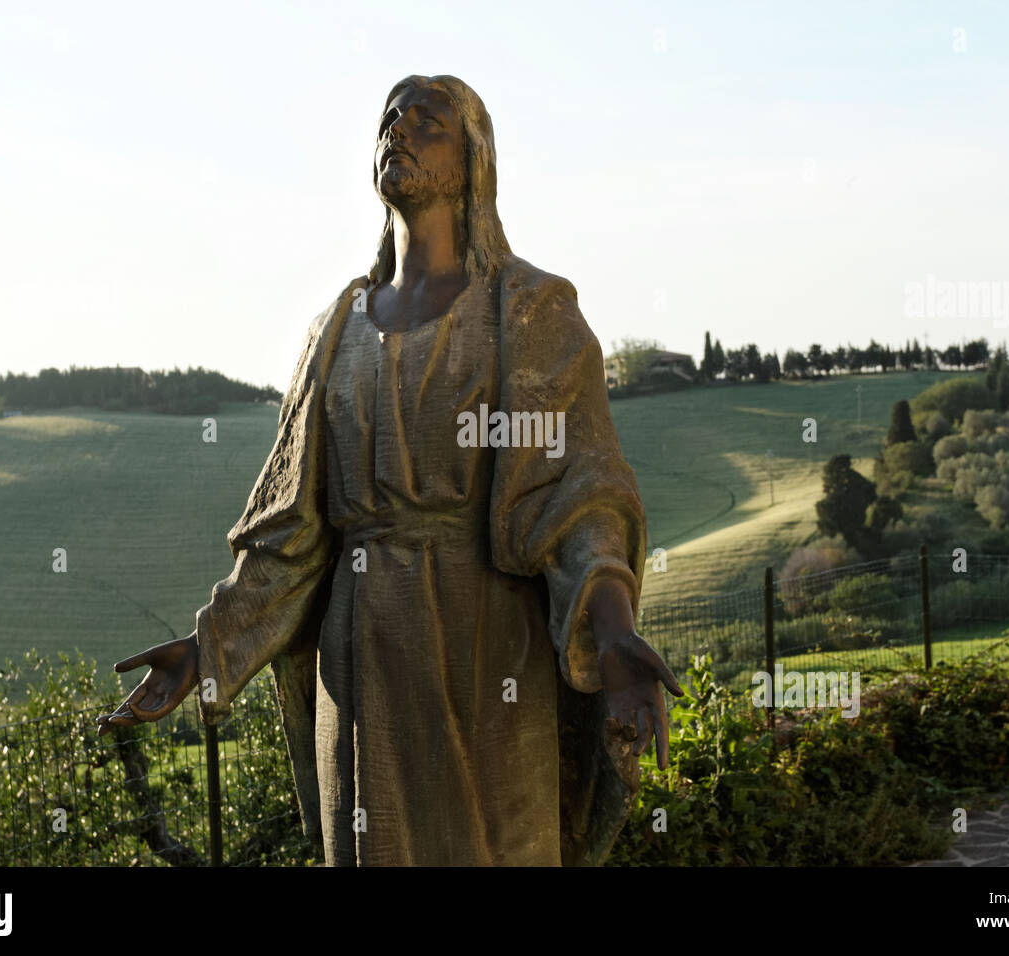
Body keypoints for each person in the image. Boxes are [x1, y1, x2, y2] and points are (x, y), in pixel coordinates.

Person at [98, 74, 682, 866]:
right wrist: (211, 645)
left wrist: (611, 630)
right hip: (362, 662)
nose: (399, 130)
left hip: (491, 658)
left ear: (474, 158)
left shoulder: (530, 312)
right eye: (388, 118)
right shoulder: (333, 332)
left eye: (427, 120)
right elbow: (291, 537)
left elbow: (583, 499)